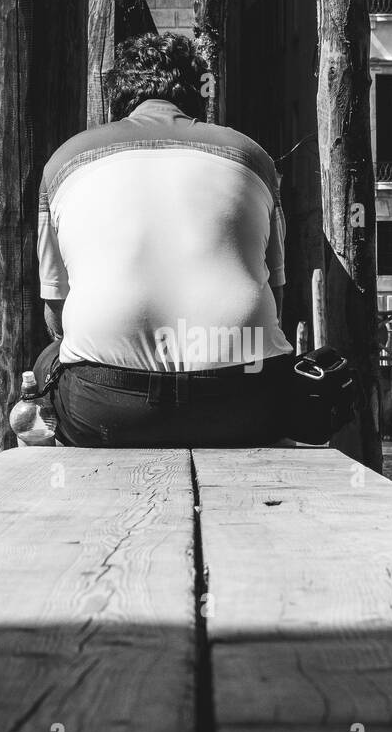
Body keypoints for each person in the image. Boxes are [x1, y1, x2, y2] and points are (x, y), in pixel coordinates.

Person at [24, 31, 295, 448]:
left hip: (108, 408)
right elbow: (276, 293)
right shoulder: (253, 156)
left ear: (118, 103)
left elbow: (55, 313)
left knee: (47, 362)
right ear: (198, 97)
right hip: (245, 400)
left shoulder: (63, 161)